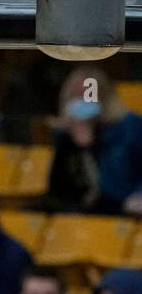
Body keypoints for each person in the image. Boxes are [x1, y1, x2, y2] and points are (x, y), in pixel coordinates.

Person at [45, 66, 142, 216]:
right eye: (75, 96)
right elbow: (58, 190)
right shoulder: (66, 137)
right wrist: (79, 146)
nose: (80, 102)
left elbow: (113, 187)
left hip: (125, 209)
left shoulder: (131, 127)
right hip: (84, 214)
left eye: (86, 96)